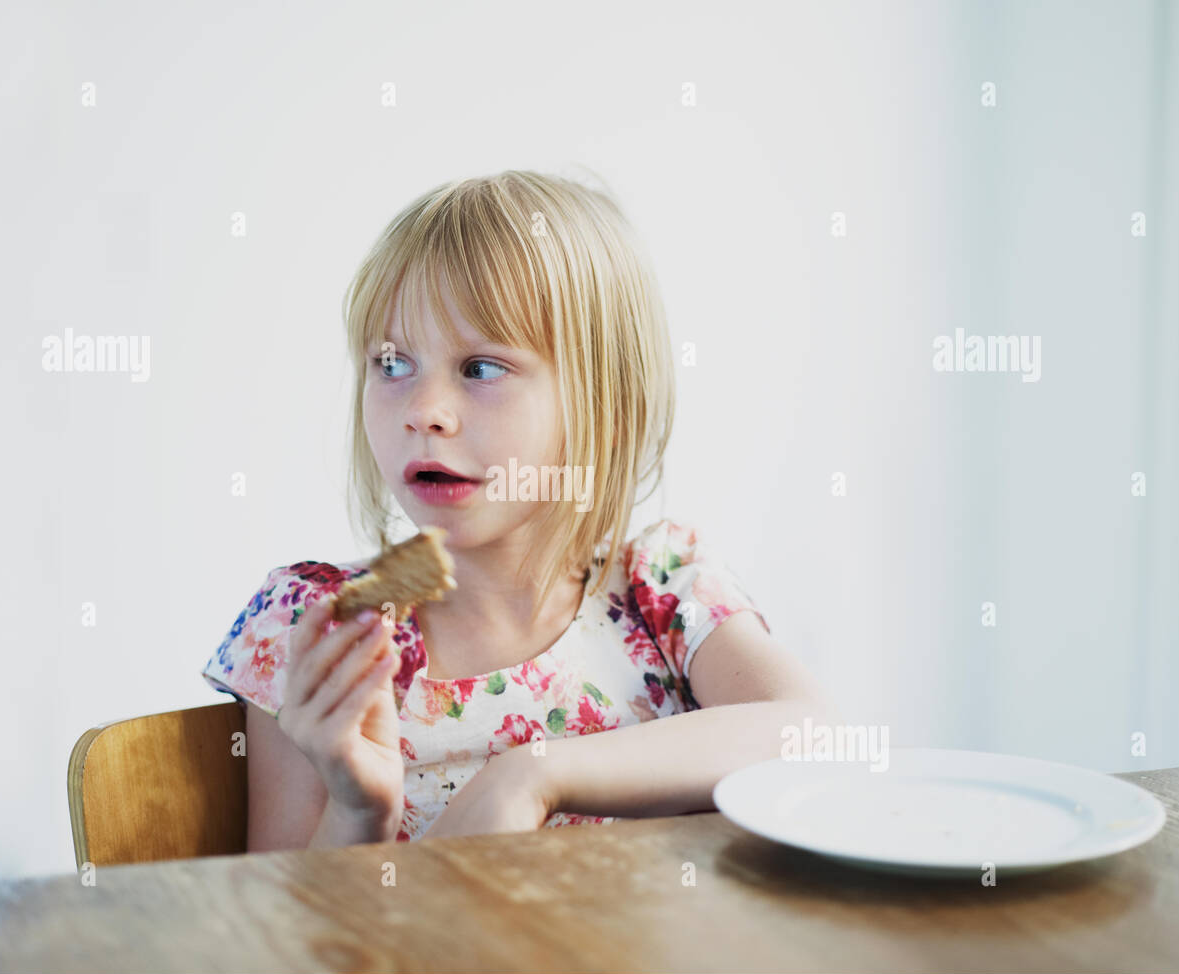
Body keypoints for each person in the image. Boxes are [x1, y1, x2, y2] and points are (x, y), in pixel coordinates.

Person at [200, 169, 834, 849]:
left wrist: (531, 774)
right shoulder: (318, 629)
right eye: (391, 363)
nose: (423, 411)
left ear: (607, 407)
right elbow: (285, 913)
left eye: (480, 368)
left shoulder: (663, 588)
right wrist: (359, 813)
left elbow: (807, 732)